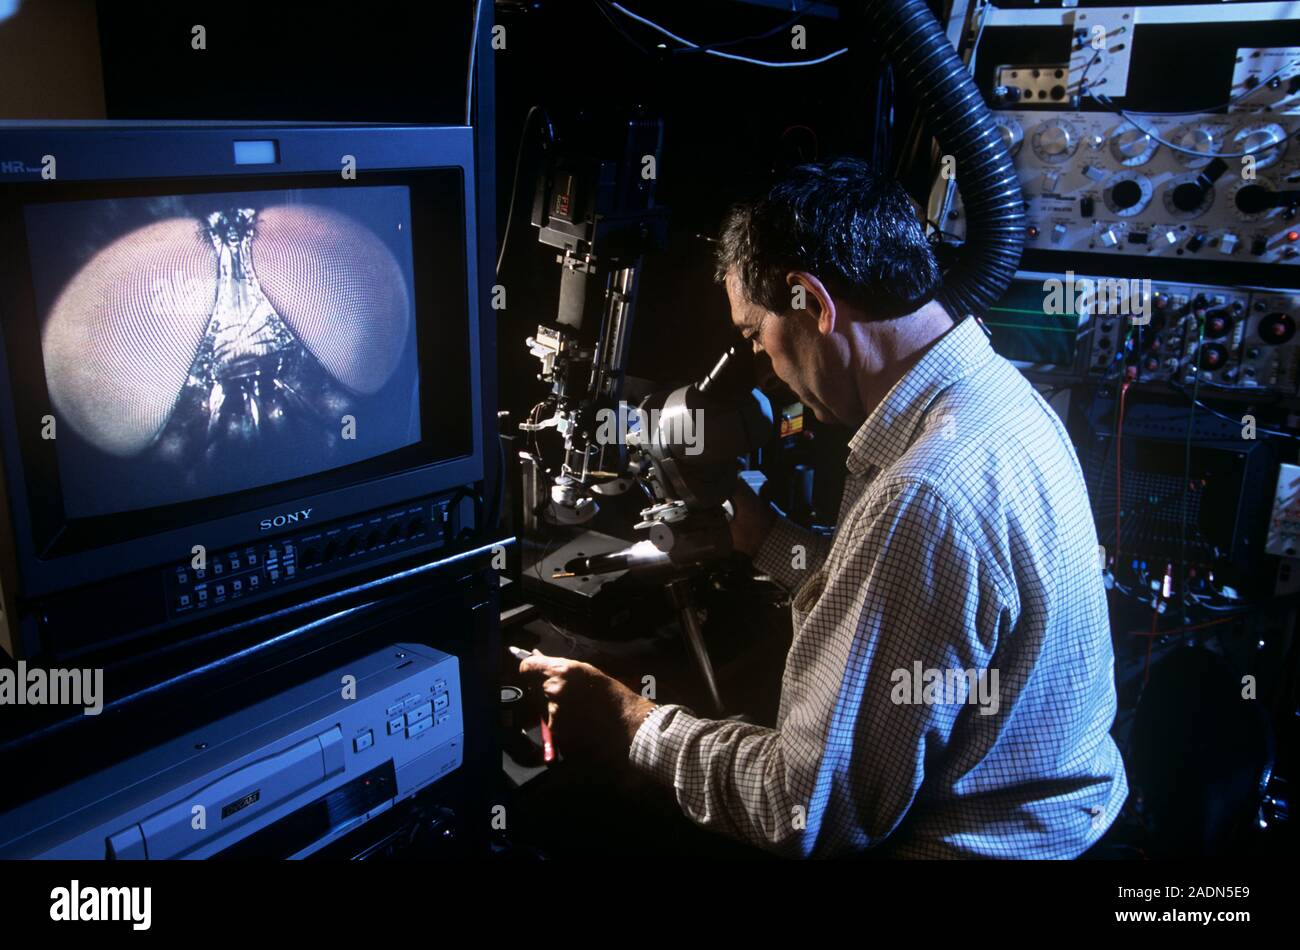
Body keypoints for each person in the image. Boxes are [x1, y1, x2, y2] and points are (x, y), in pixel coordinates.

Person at [519, 157, 1128, 858]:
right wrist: (765, 538)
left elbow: (803, 809)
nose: (765, 364)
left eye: (755, 336)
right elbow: (922, 611)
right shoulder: (996, 400)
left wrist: (629, 718)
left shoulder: (921, 493)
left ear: (811, 300)